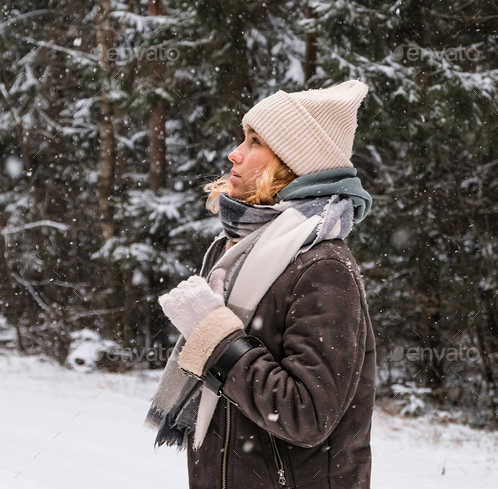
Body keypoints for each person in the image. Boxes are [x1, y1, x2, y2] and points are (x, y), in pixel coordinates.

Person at [144, 79, 376, 488]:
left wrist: (217, 340)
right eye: (242, 138)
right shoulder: (235, 250)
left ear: (290, 163)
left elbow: (307, 414)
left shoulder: (323, 267)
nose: (234, 153)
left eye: (254, 142)